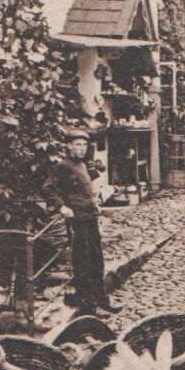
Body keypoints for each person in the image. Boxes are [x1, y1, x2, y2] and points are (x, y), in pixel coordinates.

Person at [46, 127, 120, 315]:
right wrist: (62, 206)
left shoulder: (82, 165)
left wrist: (94, 202)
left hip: (90, 217)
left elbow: (85, 190)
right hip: (77, 219)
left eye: (84, 145)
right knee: (83, 262)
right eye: (78, 144)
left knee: (97, 260)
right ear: (69, 146)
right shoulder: (63, 166)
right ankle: (89, 306)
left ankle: (102, 301)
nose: (82, 148)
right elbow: (48, 188)